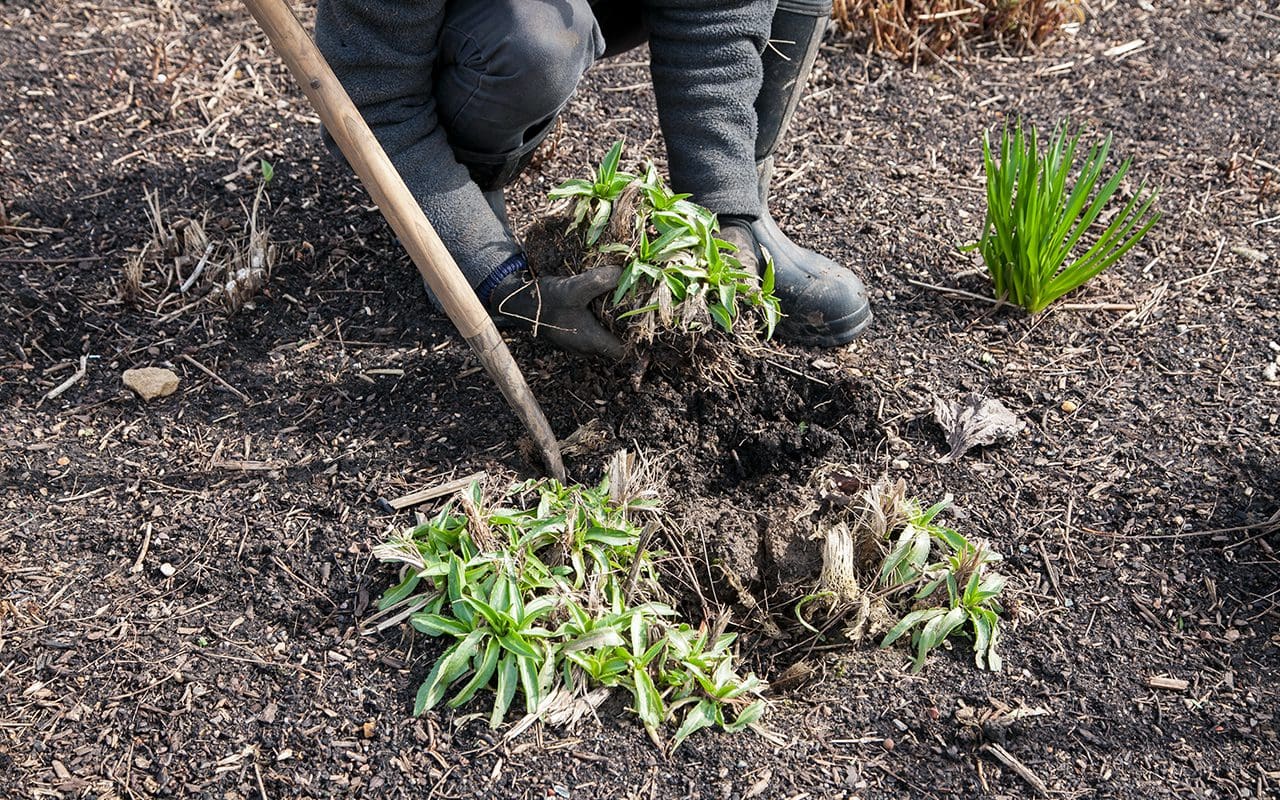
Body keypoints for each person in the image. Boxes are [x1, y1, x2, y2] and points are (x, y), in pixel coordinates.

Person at [316, 0, 871, 359]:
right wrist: (498, 280)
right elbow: (372, 103)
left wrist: (723, 205)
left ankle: (746, 218)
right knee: (534, 41)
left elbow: (719, 15)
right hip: (462, 27)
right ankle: (466, 177)